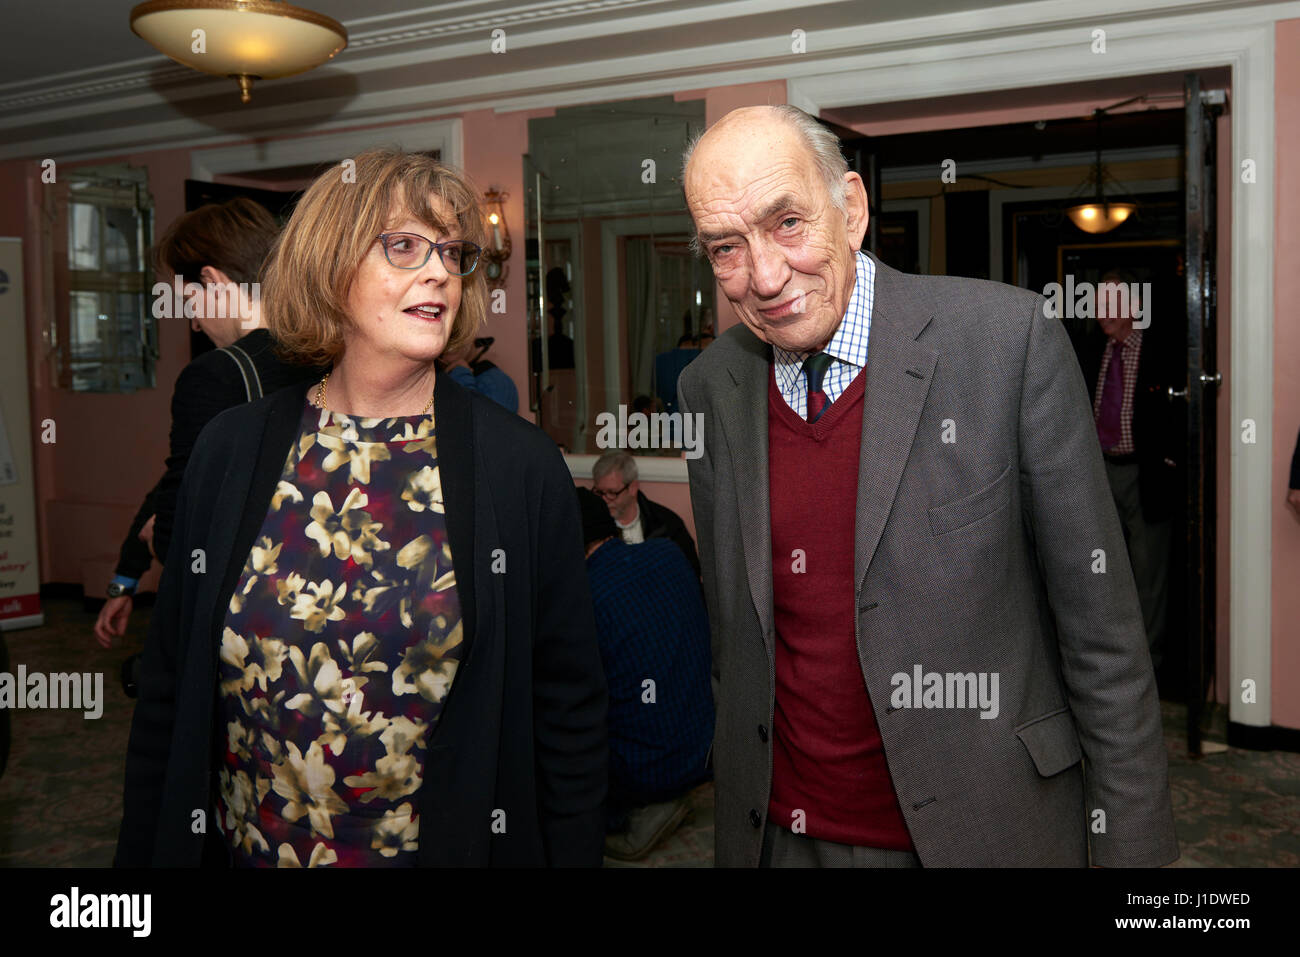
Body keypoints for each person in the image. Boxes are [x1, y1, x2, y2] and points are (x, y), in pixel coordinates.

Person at [677, 104, 1177, 868]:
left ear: (851, 209)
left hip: (985, 829)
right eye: (726, 248)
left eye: (786, 224)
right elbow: (733, 639)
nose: (766, 276)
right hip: (780, 835)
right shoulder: (709, 388)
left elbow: (1104, 643)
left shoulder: (1006, 344)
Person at [115, 148, 607, 868]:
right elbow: (168, 690)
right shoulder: (231, 450)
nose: (438, 270)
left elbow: (569, 713)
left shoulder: (518, 466)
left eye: (451, 252)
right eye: (405, 246)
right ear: (330, 263)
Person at [93, 198, 323, 654]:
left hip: (242, 613)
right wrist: (126, 573)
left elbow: (181, 532)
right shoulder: (329, 353)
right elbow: (178, 477)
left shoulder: (215, 374)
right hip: (320, 590)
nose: (194, 322)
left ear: (213, 280)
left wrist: (153, 539)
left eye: (189, 302)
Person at [574, 488, 713, 861]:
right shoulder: (667, 553)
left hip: (645, 771)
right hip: (705, 746)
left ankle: (630, 817)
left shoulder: (584, 596)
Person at [1079, 270, 1180, 671]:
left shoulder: (1162, 349)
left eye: (1109, 303)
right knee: (1099, 565)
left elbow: (1177, 413)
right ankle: (1107, 655)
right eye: (1097, 303)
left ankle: (1147, 663)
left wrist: (1171, 460)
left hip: (1145, 474)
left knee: (1147, 572)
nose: (1100, 312)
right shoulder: (1090, 350)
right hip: (1099, 470)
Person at [591, 450, 701, 579]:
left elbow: (690, 572)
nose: (604, 499)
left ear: (632, 488)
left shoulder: (667, 524)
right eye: (599, 492)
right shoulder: (591, 526)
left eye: (612, 493)